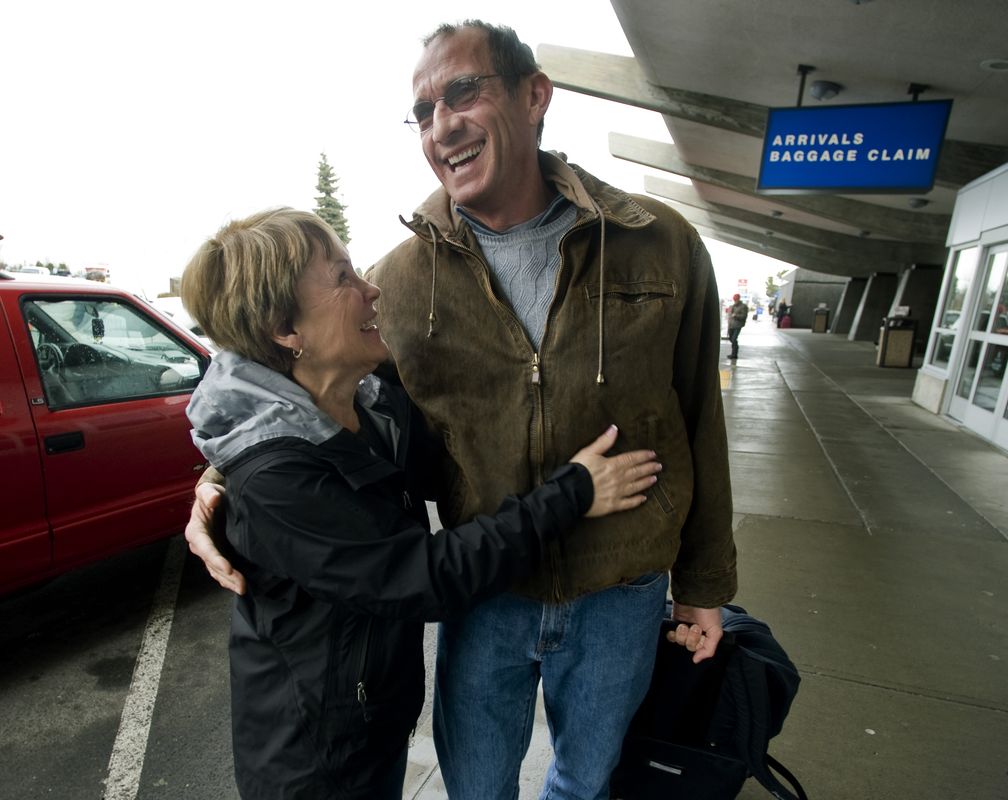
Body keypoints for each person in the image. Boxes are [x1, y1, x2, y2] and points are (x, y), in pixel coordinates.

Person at [185, 20, 738, 800]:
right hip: (484, 600)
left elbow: (699, 422)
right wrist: (215, 485)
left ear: (535, 95)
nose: (441, 123)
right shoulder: (398, 282)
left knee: (588, 784)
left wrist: (704, 584)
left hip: (623, 588)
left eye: (462, 92)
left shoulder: (659, 244)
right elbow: (285, 407)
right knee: (477, 790)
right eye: (421, 110)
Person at [179, 208, 660, 799]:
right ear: (285, 329)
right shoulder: (281, 477)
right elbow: (421, 577)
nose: (371, 289)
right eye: (343, 278)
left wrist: (217, 476)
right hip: (312, 760)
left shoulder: (372, 404)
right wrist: (573, 493)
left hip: (370, 718)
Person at [726, 292, 749, 360]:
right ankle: (734, 353)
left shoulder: (743, 306)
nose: (735, 301)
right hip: (731, 325)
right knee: (731, 338)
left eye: (736, 299)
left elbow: (744, 316)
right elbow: (729, 316)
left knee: (734, 339)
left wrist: (736, 316)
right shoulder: (732, 306)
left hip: (737, 325)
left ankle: (734, 354)